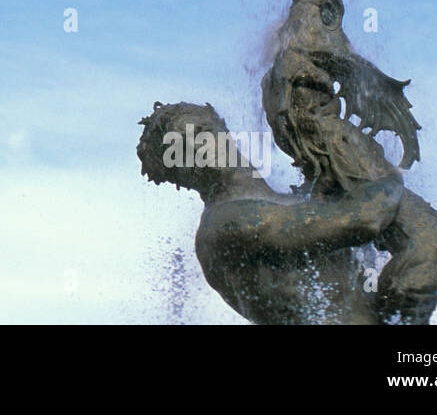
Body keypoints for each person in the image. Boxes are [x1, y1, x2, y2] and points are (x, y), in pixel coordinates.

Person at [137, 101, 406, 325]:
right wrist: (385, 173)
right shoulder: (226, 222)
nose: (200, 148)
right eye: (182, 149)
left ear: (225, 131)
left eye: (203, 132)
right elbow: (365, 219)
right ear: (179, 174)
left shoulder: (292, 200)